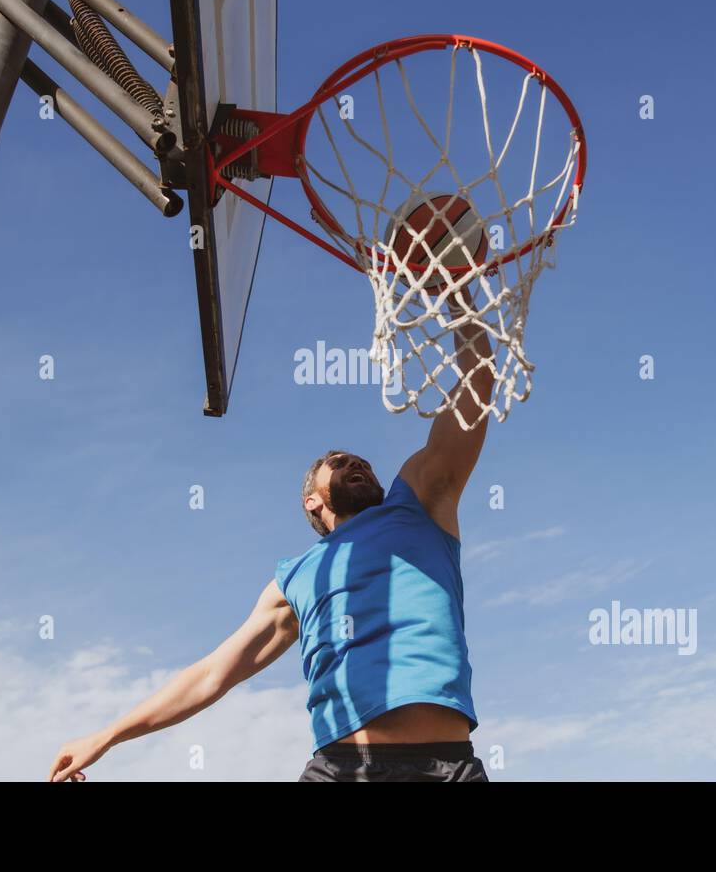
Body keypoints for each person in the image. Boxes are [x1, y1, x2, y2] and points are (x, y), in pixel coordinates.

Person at [48, 291, 493, 782]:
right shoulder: (294, 578)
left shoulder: (419, 503)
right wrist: (107, 735)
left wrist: (458, 294)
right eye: (339, 463)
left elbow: (473, 392)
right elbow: (213, 673)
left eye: (361, 462)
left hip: (445, 761)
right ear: (312, 501)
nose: (357, 464)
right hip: (341, 767)